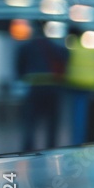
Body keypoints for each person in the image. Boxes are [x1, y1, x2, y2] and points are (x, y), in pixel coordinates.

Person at [16, 21, 68, 151]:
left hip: (34, 88)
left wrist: (22, 77)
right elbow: (65, 61)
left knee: (30, 122)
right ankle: (50, 149)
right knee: (52, 123)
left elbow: (19, 68)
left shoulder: (26, 47)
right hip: (52, 89)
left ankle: (28, 149)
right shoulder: (56, 47)